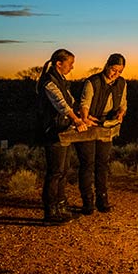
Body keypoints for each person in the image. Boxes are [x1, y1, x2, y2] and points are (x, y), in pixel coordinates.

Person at [37, 49, 91, 224]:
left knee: (63, 170)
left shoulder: (61, 80)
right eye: (70, 64)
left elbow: (70, 101)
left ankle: (61, 207)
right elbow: (61, 104)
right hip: (53, 131)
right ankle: (50, 211)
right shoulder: (48, 82)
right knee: (55, 172)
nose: (72, 67)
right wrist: (76, 120)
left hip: (63, 130)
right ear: (59, 64)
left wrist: (85, 117)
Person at [73, 53, 127, 215]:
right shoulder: (93, 82)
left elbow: (123, 103)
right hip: (90, 123)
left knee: (102, 163)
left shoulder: (122, 83)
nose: (115, 74)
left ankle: (102, 199)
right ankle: (87, 201)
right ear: (107, 66)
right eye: (113, 69)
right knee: (87, 163)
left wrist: (120, 114)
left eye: (119, 71)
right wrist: (84, 118)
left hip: (107, 125)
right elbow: (84, 104)